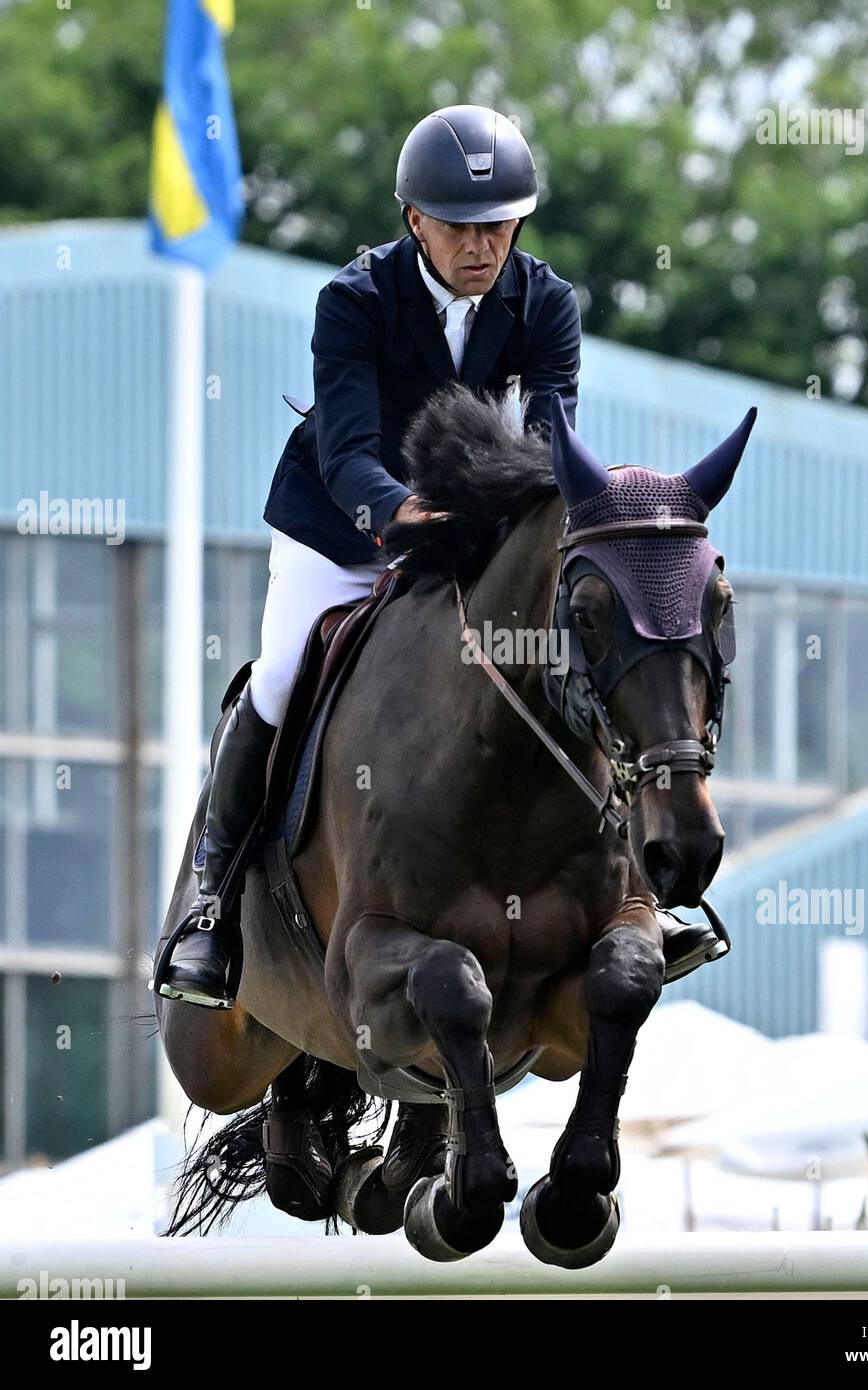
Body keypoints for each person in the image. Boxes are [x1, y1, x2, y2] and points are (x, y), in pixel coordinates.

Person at [160, 105, 722, 1009]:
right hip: (341, 527)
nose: (481, 244)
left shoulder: (546, 303)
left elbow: (548, 448)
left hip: (473, 529)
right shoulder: (354, 300)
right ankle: (213, 906)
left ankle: (633, 886)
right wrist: (394, 511)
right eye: (460, 225)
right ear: (414, 220)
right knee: (277, 676)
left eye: (499, 224)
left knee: (558, 658)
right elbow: (345, 445)